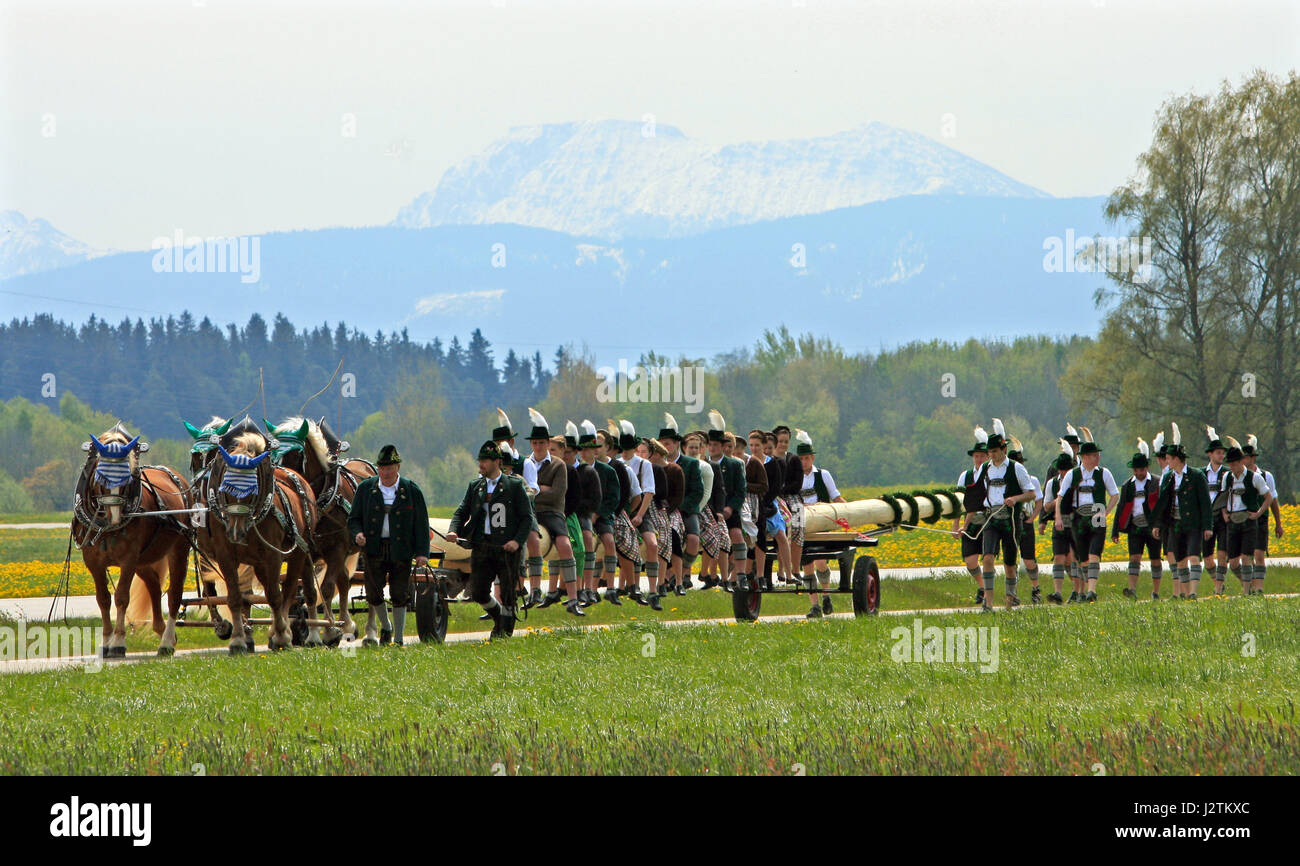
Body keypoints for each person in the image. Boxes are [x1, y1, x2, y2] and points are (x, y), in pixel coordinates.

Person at [445, 441, 533, 639]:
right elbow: (461, 512)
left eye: (485, 460)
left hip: (507, 548)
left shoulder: (514, 486)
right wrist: (453, 530)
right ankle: (500, 617)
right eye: (480, 460)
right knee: (478, 592)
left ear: (497, 462)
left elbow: (527, 518)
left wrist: (517, 542)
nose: (481, 465)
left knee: (509, 592)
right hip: (482, 546)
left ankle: (505, 630)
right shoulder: (476, 487)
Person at [347, 444, 429, 647]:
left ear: (398, 468)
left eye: (389, 468)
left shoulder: (411, 490)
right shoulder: (366, 489)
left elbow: (421, 524)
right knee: (373, 593)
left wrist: (422, 553)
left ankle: (398, 639)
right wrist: (357, 534)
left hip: (401, 550)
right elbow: (353, 519)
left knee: (399, 594)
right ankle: (386, 626)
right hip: (374, 549)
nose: (385, 472)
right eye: (382, 468)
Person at [973, 420, 1035, 611]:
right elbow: (978, 493)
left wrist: (1015, 499)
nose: (991, 455)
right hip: (991, 518)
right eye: (989, 452)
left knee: (1009, 563)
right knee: (988, 558)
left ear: (1004, 450)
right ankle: (988, 602)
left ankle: (1009, 600)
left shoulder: (1016, 468)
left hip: (1011, 520)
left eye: (994, 452)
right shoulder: (986, 469)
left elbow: (1031, 493)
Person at [1055, 426, 1119, 602]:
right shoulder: (1072, 474)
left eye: (1097, 455)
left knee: (1094, 555)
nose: (1097, 457)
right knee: (1082, 557)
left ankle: (1091, 591)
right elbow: (1060, 497)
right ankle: (1084, 592)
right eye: (1093, 455)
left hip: (1097, 514)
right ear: (1084, 457)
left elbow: (1115, 495)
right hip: (1078, 517)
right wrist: (1059, 517)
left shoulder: (1104, 473)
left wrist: (1106, 512)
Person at [1150, 439, 1213, 599]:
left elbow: (1205, 503)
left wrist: (1208, 526)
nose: (1167, 461)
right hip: (1174, 524)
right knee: (1180, 561)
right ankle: (1185, 593)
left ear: (1177, 459)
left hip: (1193, 523)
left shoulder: (1196, 475)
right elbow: (1163, 503)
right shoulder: (1168, 478)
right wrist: (1157, 524)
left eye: (1169, 458)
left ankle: (1193, 592)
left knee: (1193, 556)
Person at [794, 429, 846, 619]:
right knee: (806, 565)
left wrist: (850, 512)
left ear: (812, 458)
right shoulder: (794, 478)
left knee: (821, 562)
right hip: (803, 526)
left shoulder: (823, 475)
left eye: (807, 458)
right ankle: (814, 606)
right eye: (800, 459)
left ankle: (826, 595)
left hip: (823, 525)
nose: (804, 462)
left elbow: (836, 497)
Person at [1214, 437, 1273, 596]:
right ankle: (1249, 582)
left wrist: (1259, 513)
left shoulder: (1254, 477)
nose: (1232, 467)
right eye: (1230, 464)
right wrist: (1224, 513)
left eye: (1234, 464)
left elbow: (1268, 497)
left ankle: (1246, 592)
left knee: (1246, 557)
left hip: (1248, 519)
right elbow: (1223, 497)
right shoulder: (1228, 477)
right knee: (1233, 563)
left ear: (1241, 462)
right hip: (1233, 520)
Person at [1111, 438, 1163, 600]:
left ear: (1146, 468)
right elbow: (1121, 508)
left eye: (1141, 469)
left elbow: (1161, 505)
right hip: (1135, 526)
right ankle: (1132, 589)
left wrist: (1160, 524)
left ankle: (1155, 592)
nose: (1138, 473)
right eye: (1136, 470)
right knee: (1134, 557)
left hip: (1152, 526)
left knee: (1155, 559)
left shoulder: (1156, 482)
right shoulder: (1128, 486)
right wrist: (1115, 530)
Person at [661, 413, 703, 590]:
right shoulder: (657, 464)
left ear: (677, 444)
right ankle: (668, 574)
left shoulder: (691, 464)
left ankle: (684, 570)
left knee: (693, 538)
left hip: (686, 509)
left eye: (668, 443)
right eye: (662, 444)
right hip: (664, 509)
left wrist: (680, 506)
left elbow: (697, 491)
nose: (665, 447)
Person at [1241, 434, 1284, 595]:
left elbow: (1273, 501)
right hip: (1246, 519)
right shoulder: (1241, 477)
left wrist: (1278, 524)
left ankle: (1259, 587)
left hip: (1262, 519)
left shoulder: (1266, 476)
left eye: (1246, 458)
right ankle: (1250, 585)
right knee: (1246, 555)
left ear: (1252, 458)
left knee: (1259, 553)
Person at [1037, 440, 1076, 604]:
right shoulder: (1052, 483)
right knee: (1059, 558)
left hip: (1074, 522)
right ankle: (1058, 592)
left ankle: (1076, 591)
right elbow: (1046, 506)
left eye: (1066, 469)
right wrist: (1058, 501)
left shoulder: (1077, 481)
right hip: (1059, 522)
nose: (1064, 472)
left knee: (1073, 559)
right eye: (1062, 469)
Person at [955, 426, 990, 604]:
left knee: (987, 557)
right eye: (976, 456)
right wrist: (955, 526)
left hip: (988, 520)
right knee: (970, 561)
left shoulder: (992, 474)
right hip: (969, 523)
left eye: (982, 456)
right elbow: (958, 503)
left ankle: (987, 592)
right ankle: (982, 586)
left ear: (988, 457)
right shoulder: (965, 476)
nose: (979, 459)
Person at [1007, 434, 1043, 604]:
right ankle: (1013, 593)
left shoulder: (1032, 480)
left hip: (1025, 520)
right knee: (1011, 559)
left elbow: (1038, 501)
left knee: (1029, 560)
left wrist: (1033, 518)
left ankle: (1036, 589)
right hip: (1012, 522)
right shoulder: (1008, 480)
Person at [1202, 426, 1230, 595]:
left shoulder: (1227, 473)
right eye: (1218, 453)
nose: (1221, 456)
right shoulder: (1201, 474)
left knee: (1221, 555)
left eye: (1222, 453)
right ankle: (1217, 582)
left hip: (1222, 517)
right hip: (1207, 518)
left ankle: (1218, 589)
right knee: (1207, 559)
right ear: (1210, 454)